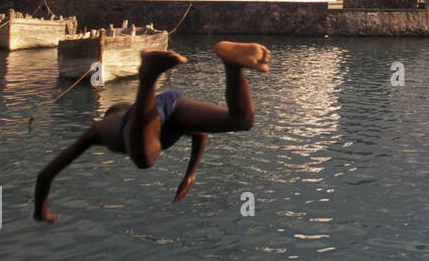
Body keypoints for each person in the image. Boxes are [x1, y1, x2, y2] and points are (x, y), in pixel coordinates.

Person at [33, 42, 271, 222]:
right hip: (174, 102)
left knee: (145, 158)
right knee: (240, 121)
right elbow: (201, 134)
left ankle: (148, 76)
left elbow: (46, 174)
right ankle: (232, 65)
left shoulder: (101, 130)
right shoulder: (157, 123)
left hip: (152, 112)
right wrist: (191, 174)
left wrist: (40, 210)